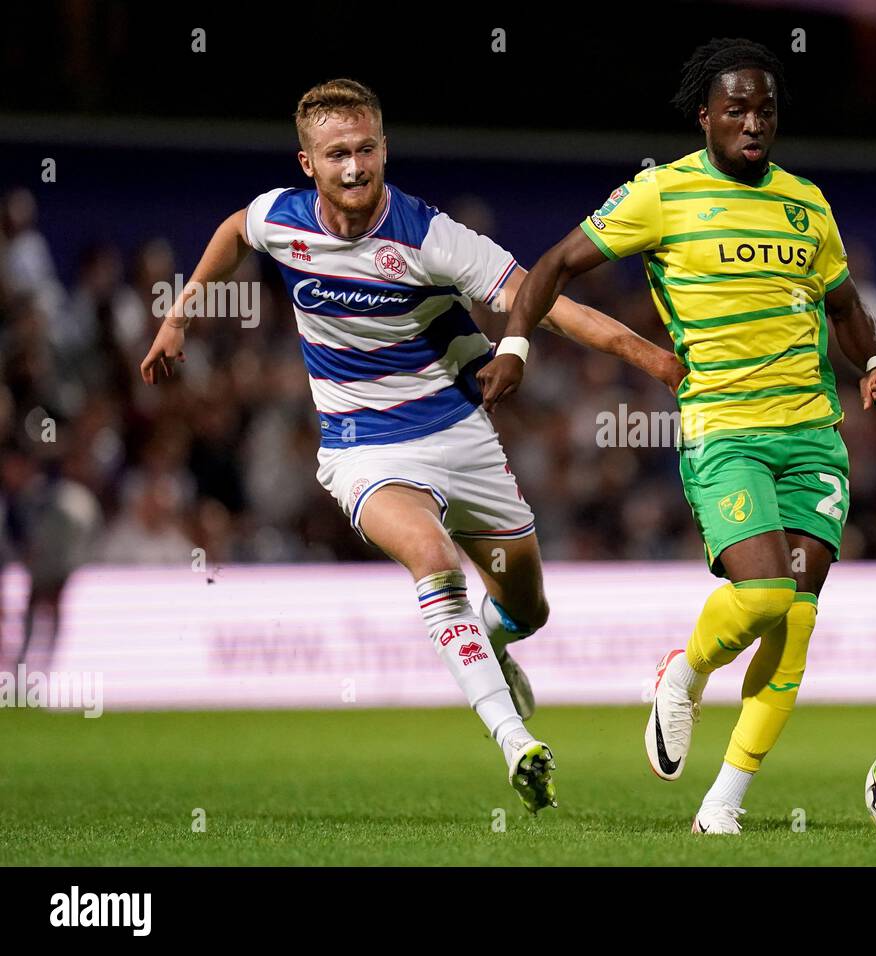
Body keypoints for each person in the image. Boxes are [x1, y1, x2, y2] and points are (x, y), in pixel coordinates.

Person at [140, 78, 683, 814]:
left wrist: (653, 361)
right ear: (309, 164)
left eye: (366, 149)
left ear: (384, 148)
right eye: (337, 155)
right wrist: (179, 317)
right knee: (431, 560)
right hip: (363, 449)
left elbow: (541, 300)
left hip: (461, 438)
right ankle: (513, 740)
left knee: (528, 608)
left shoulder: (431, 237)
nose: (355, 167)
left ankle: (495, 641)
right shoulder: (283, 219)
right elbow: (236, 230)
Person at [478, 39, 876, 833]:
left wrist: (874, 359)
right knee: (766, 594)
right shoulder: (662, 193)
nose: (752, 122)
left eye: (765, 109)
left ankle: (724, 804)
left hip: (814, 437)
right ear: (704, 115)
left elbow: (844, 307)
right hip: (725, 431)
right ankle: (684, 673)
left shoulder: (807, 203)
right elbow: (552, 266)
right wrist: (514, 345)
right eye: (735, 108)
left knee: (798, 619)